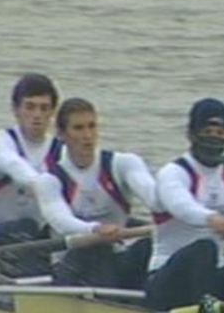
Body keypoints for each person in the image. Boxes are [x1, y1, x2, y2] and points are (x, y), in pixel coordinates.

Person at [145, 98, 224, 311]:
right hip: (166, 278)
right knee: (204, 248)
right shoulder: (173, 173)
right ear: (191, 134)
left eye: (220, 132)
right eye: (207, 132)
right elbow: (181, 206)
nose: (214, 138)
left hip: (213, 278)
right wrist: (211, 218)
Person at [33, 97, 156, 289]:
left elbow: (153, 197)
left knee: (150, 245)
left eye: (92, 126)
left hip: (115, 259)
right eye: (78, 128)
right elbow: (62, 221)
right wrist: (95, 229)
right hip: (71, 266)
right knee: (95, 247)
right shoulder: (48, 180)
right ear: (62, 134)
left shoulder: (123, 164)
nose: (88, 135)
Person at [0, 73, 61, 245]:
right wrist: (40, 183)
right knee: (27, 226)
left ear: (53, 112)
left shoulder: (61, 149)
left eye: (44, 108)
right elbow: (13, 164)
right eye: (30, 107)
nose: (37, 115)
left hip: (38, 238)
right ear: (16, 109)